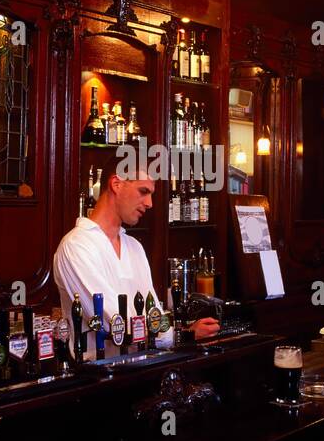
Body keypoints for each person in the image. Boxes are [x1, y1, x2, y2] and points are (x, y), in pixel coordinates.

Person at [53, 148, 220, 348]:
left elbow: (153, 315)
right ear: (116, 184)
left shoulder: (134, 247)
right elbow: (115, 322)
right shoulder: (76, 246)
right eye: (143, 191)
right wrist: (183, 335)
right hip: (97, 375)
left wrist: (179, 332)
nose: (150, 203)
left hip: (142, 367)